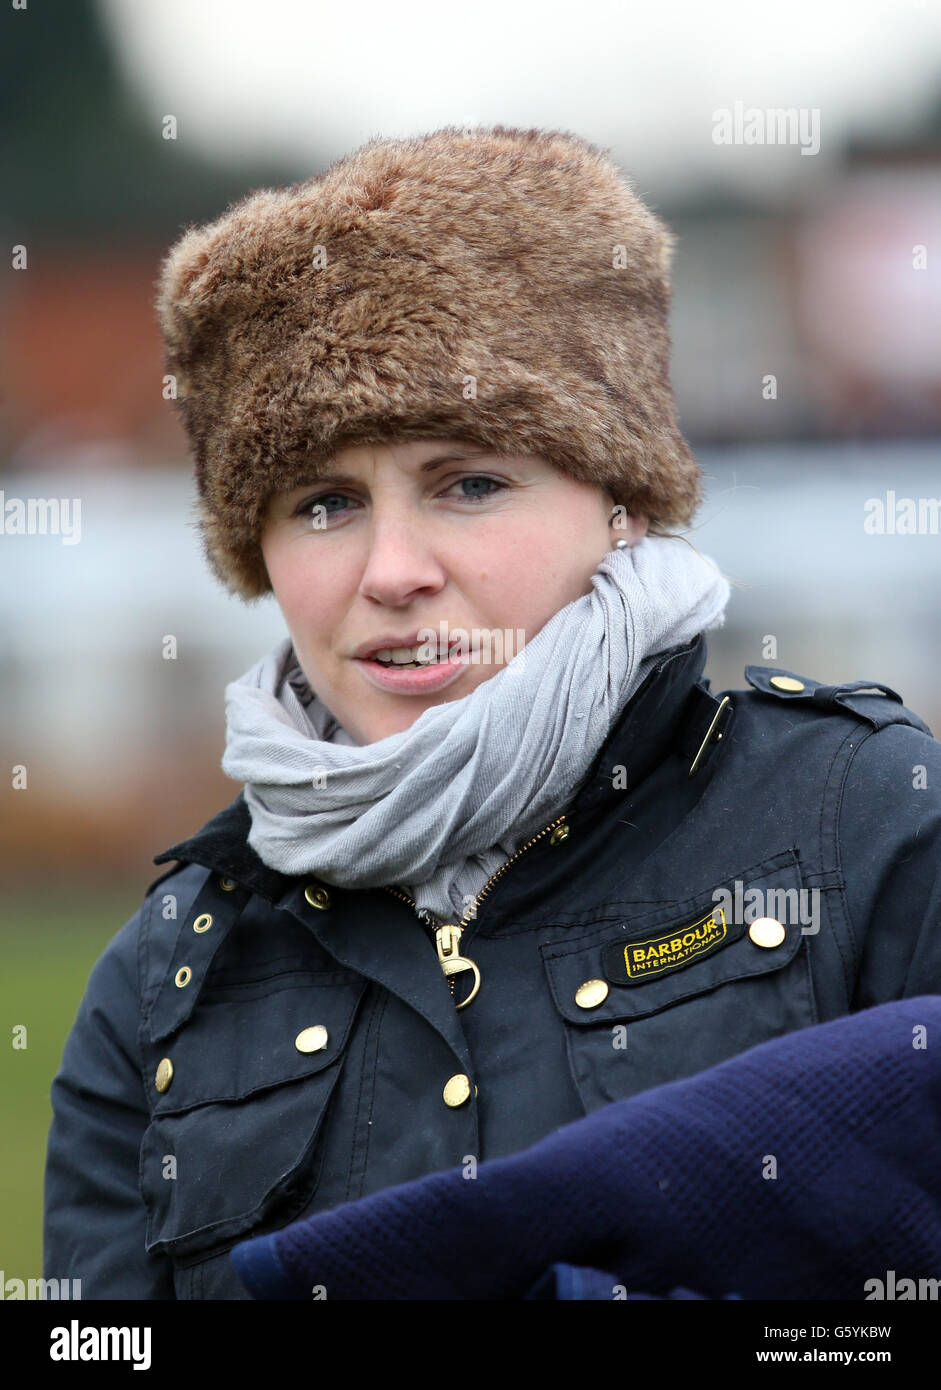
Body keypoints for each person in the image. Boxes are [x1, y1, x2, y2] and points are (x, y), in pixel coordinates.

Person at [43, 125, 941, 1301]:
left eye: (468, 483)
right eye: (322, 503)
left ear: (619, 498)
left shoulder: (865, 825)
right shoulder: (168, 974)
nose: (391, 569)